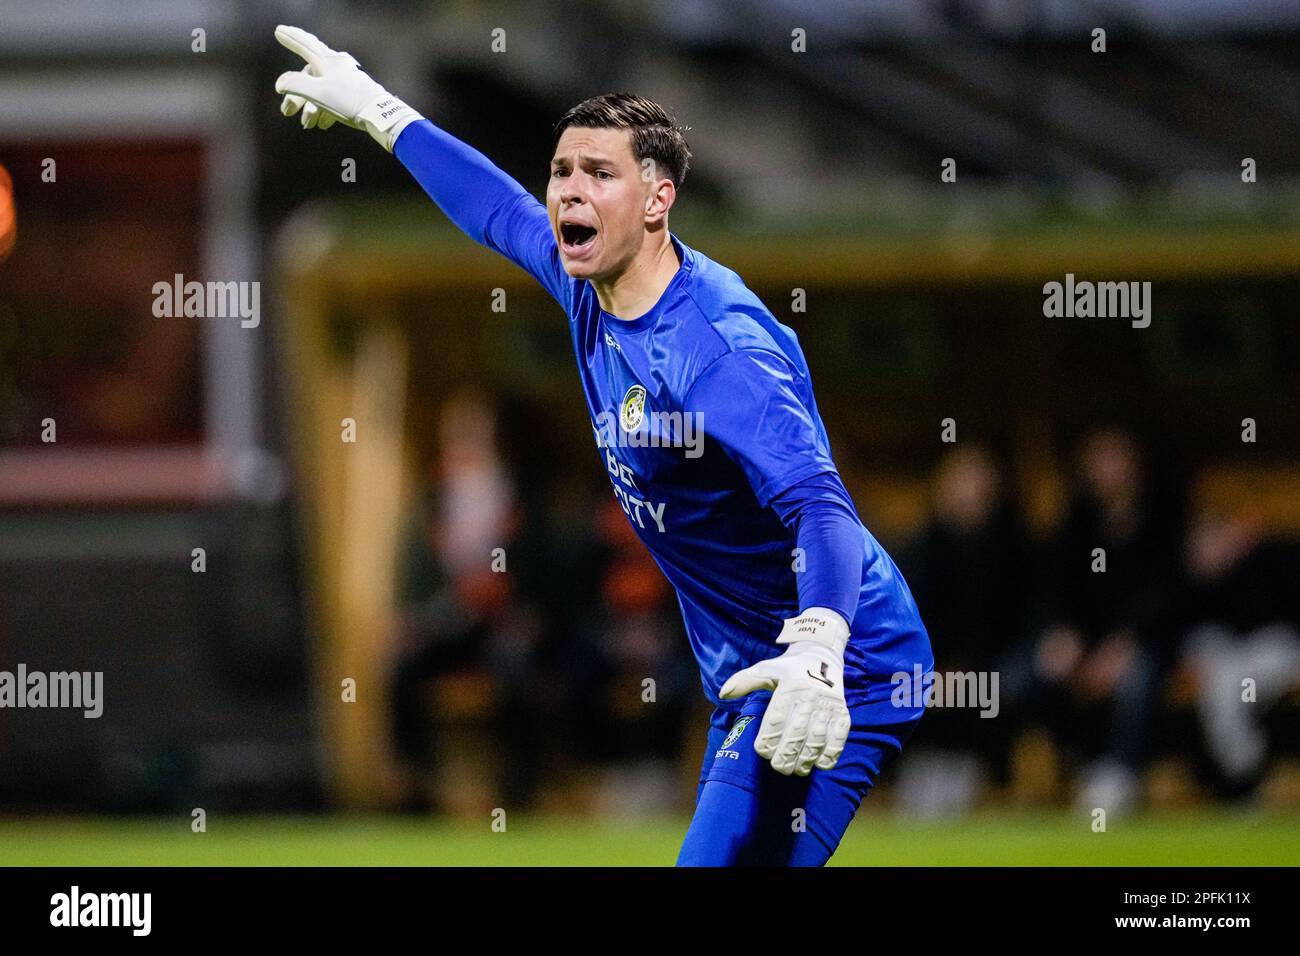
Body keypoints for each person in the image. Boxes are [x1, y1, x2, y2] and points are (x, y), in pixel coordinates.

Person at [274, 25, 932, 865]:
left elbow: (820, 505)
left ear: (658, 201)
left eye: (599, 174)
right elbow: (493, 207)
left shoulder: (718, 350)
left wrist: (821, 644)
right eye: (561, 172)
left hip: (842, 662)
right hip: (757, 666)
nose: (567, 193)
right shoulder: (585, 284)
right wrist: (376, 108)